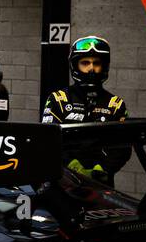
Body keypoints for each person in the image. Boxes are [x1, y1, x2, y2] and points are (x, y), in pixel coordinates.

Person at [41, 35, 130, 185]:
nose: (91, 69)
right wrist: (72, 166)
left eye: (96, 63)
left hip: (101, 182)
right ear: (75, 65)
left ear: (104, 66)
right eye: (85, 63)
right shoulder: (58, 99)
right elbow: (48, 140)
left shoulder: (115, 104)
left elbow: (123, 147)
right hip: (64, 180)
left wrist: (102, 168)